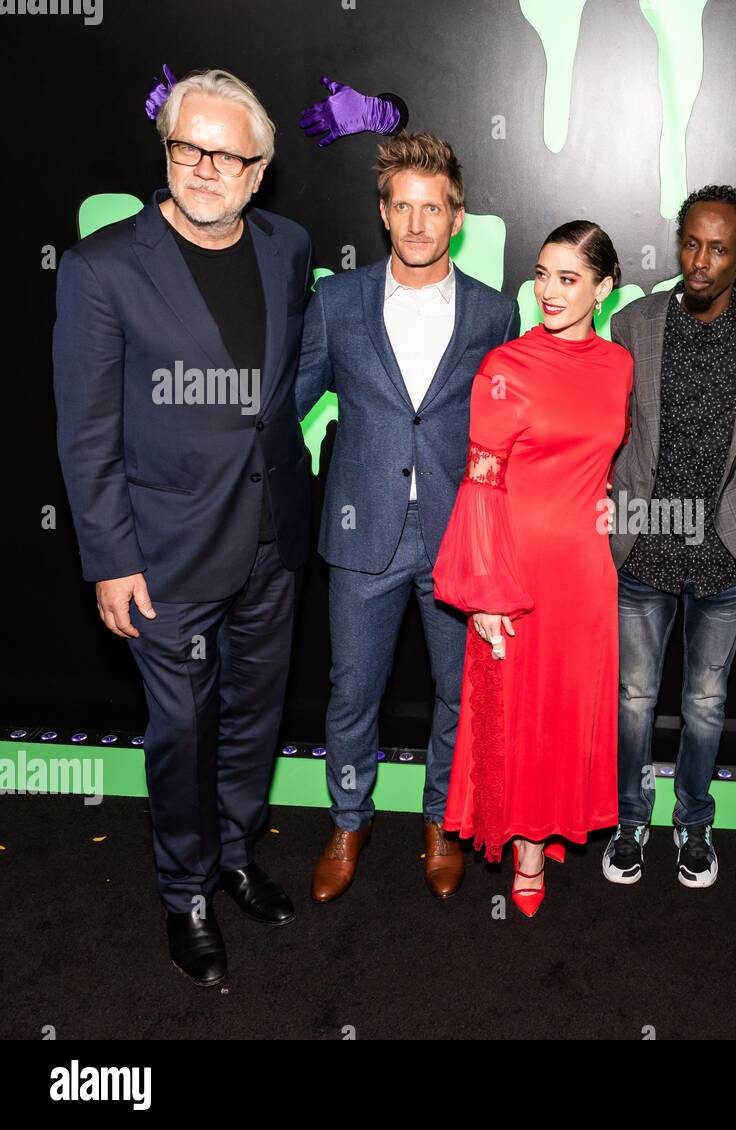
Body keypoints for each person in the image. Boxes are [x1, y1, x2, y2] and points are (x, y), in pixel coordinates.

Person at [52, 69, 313, 986]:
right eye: (186, 148)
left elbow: (279, 392)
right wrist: (111, 558)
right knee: (182, 730)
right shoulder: (101, 267)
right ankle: (188, 894)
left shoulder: (288, 247)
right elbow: (85, 433)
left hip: (275, 535)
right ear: (166, 154)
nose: (204, 168)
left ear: (260, 167)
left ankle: (238, 855)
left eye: (226, 153)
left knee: (253, 717)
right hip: (163, 556)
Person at [296, 132, 518, 905]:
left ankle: (442, 822)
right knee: (353, 690)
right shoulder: (336, 301)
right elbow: (285, 404)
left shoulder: (496, 312)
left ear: (457, 217)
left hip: (460, 539)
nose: (418, 223)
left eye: (434, 208)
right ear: (383, 214)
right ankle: (348, 822)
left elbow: (508, 426)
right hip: (362, 533)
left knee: (460, 694)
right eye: (403, 208)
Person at [432, 221, 633, 917]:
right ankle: (524, 850)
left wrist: (620, 506)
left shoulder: (618, 366)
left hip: (585, 573)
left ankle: (548, 825)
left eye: (569, 278)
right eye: (542, 275)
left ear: (604, 289)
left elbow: (618, 459)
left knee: (567, 711)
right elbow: (481, 481)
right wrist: (483, 592)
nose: (549, 291)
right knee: (517, 714)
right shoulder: (505, 366)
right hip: (513, 569)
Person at [603, 186, 736, 888]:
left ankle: (694, 820)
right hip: (644, 544)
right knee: (636, 700)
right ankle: (630, 819)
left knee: (707, 704)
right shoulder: (634, 324)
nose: (700, 261)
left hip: (722, 550)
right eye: (690, 243)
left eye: (718, 248)